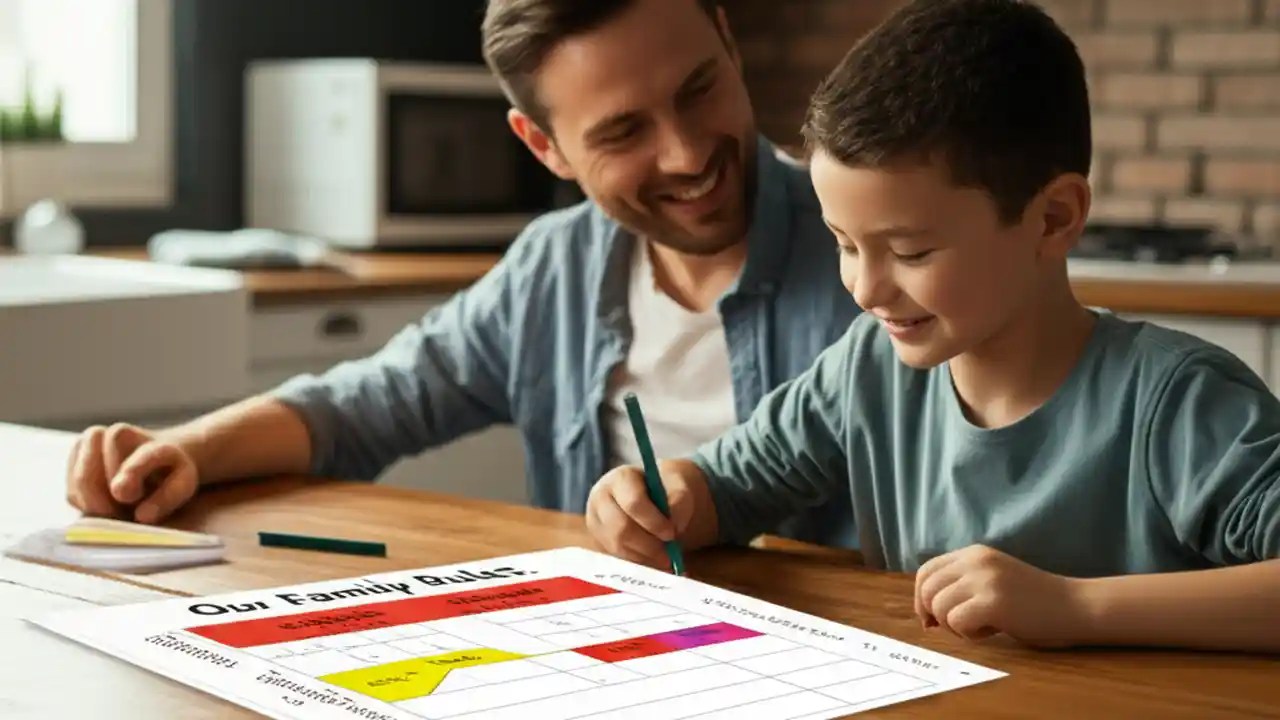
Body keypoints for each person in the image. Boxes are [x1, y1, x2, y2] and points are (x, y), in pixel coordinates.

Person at [586, 0, 1280, 653]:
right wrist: (660, 496)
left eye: (911, 252)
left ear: (1053, 218)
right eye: (844, 243)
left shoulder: (1178, 403)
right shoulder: (867, 370)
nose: (864, 288)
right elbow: (725, 489)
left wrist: (1076, 608)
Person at [63, 0, 860, 548]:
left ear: (726, 38)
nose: (687, 154)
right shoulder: (555, 269)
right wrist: (185, 453)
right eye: (623, 132)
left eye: (699, 89)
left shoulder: (879, 253)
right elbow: (363, 406)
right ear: (543, 146)